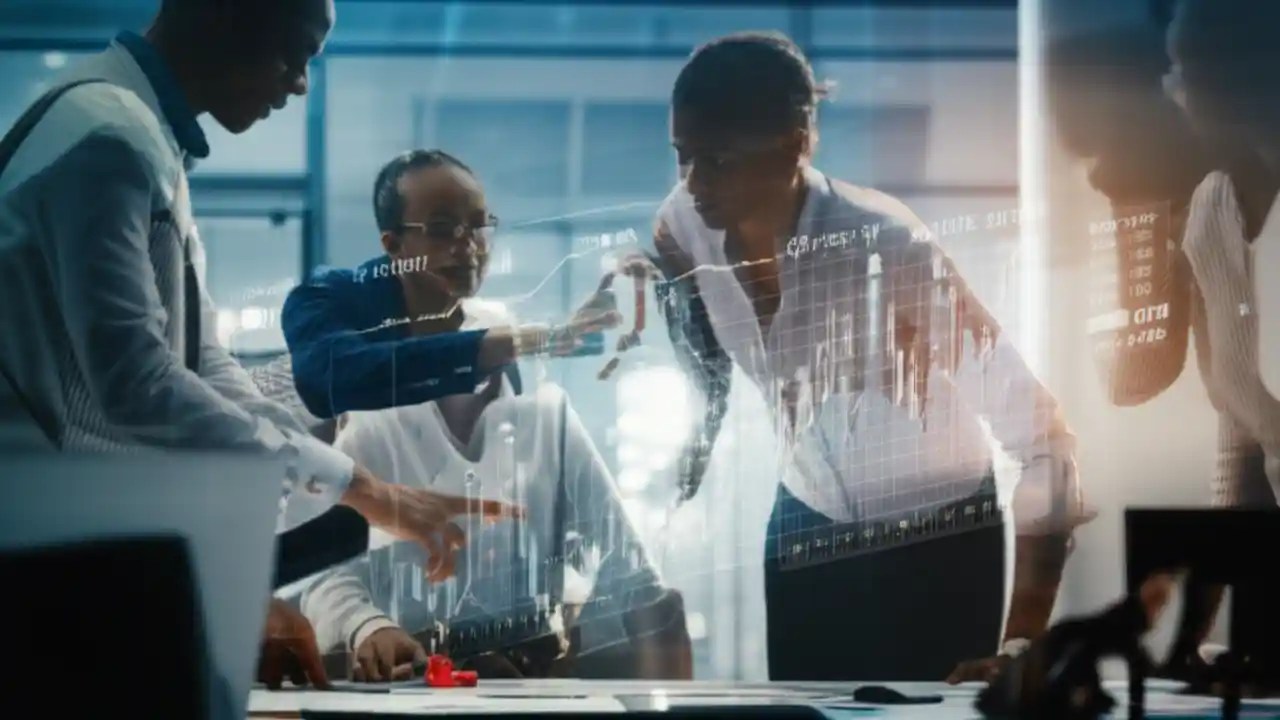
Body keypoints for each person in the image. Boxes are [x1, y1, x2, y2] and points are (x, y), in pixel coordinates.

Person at [0, 0, 518, 691]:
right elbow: (136, 382)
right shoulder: (107, 139)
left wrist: (363, 494)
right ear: (219, 19)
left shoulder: (136, 133)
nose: (299, 83)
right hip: (46, 558)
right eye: (293, 54)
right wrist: (362, 489)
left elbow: (205, 360)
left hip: (78, 546)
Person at [620, 31, 1093, 681]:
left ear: (795, 144)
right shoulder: (682, 222)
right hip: (805, 522)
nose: (694, 184)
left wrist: (1020, 646)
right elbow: (693, 316)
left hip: (939, 536)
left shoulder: (889, 248)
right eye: (683, 157)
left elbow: (1046, 440)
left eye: (719, 161)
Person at [289, 150, 688, 681]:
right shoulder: (367, 414)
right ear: (393, 247)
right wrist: (369, 627)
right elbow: (327, 575)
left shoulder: (544, 411)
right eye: (441, 229)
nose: (468, 246)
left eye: (479, 227)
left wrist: (597, 644)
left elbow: (626, 563)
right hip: (410, 692)